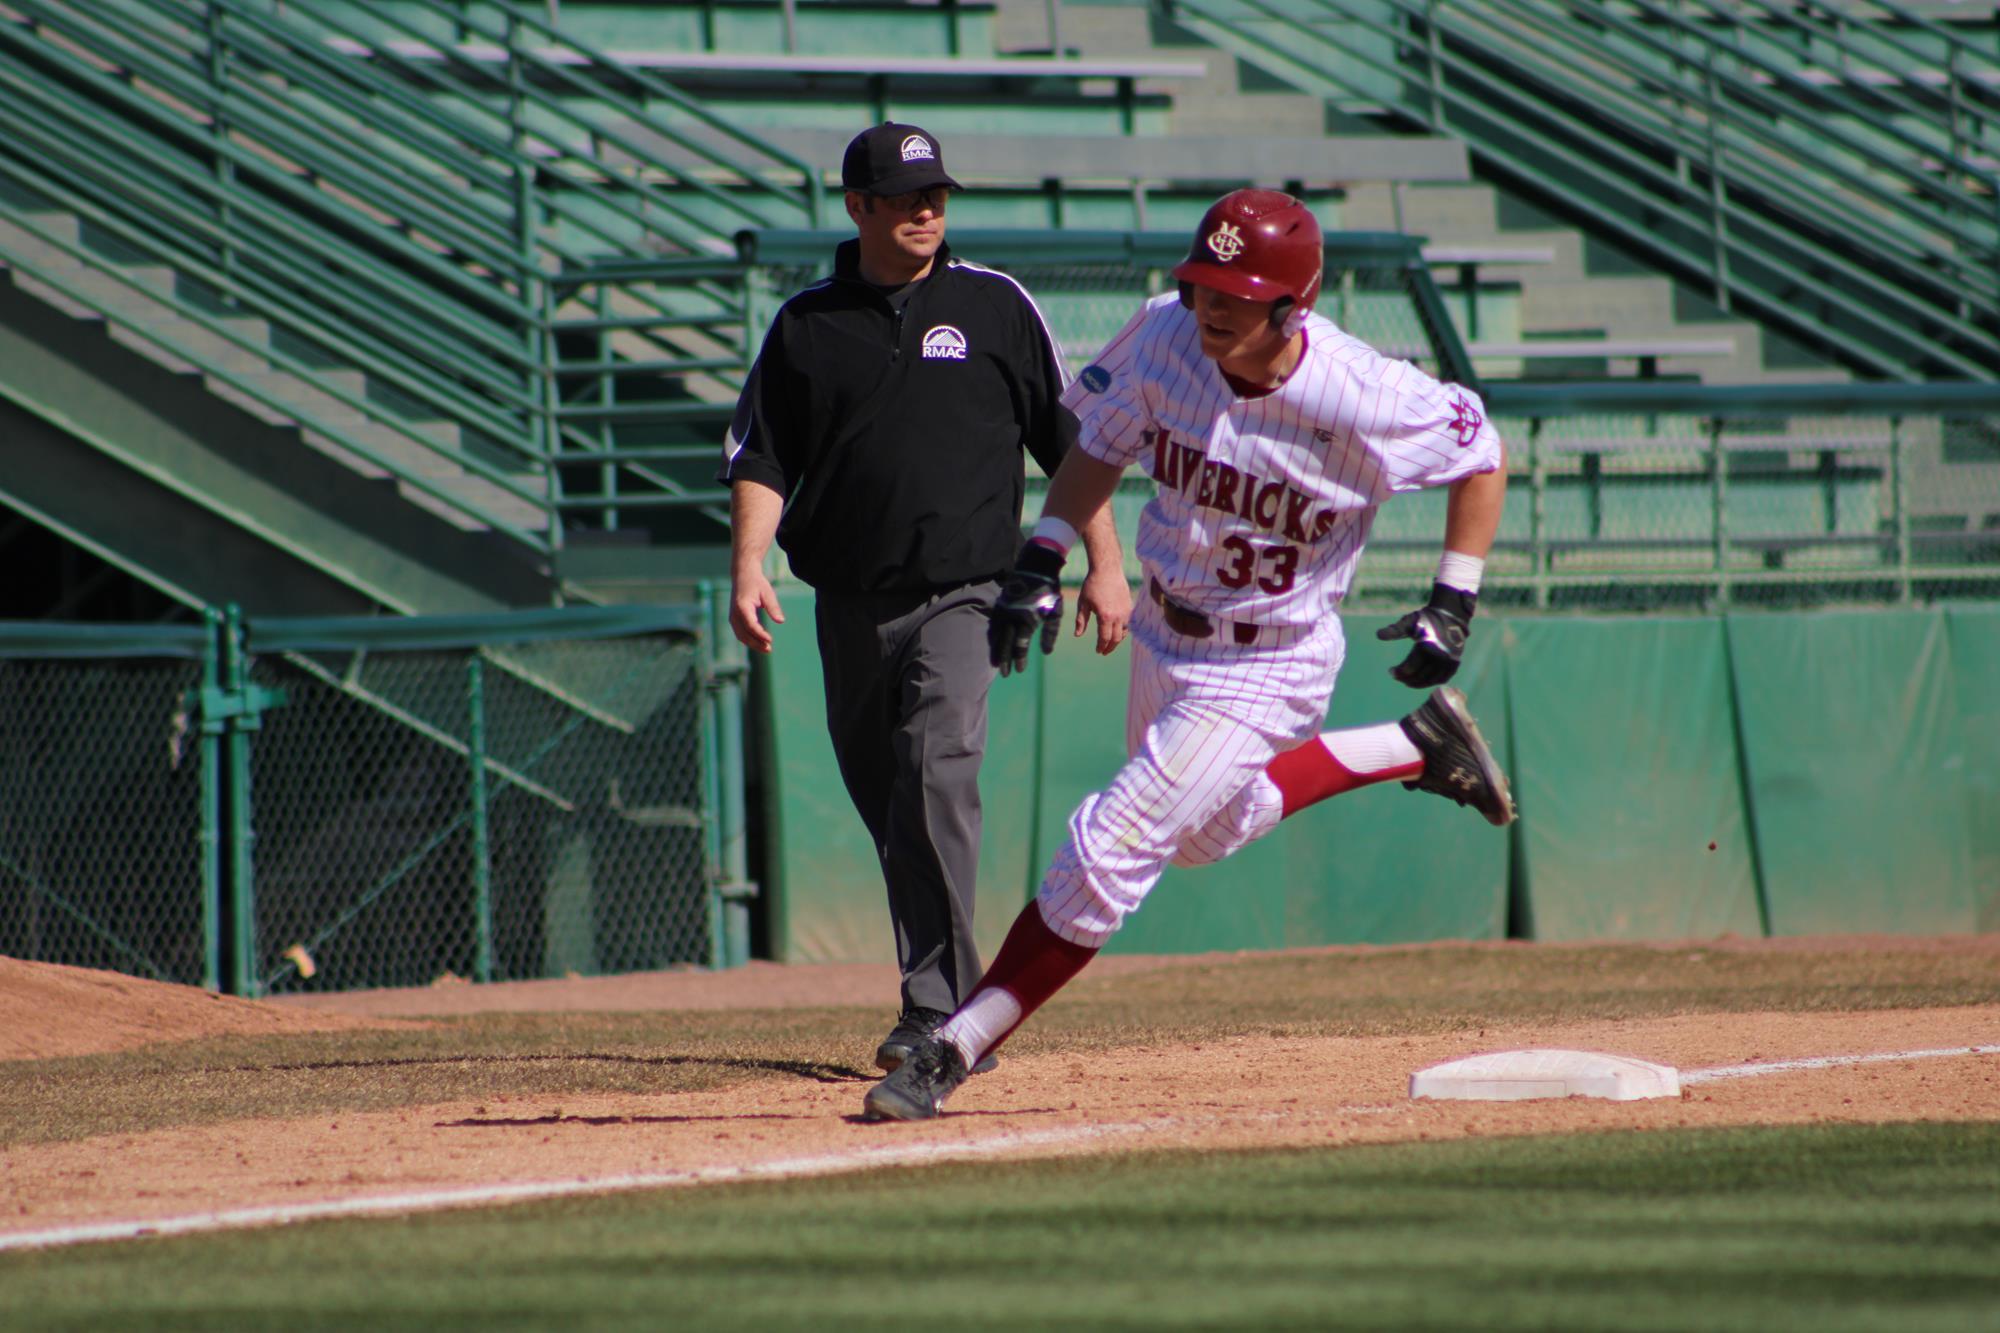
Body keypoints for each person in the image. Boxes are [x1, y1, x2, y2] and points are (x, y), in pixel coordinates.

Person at [862, 188, 1515, 1121]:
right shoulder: (1165, 332)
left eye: (1235, 294)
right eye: (1203, 283)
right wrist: (1043, 556)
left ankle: (954, 1044)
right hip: (1166, 630)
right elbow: (1101, 443)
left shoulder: (1363, 391)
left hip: (1271, 660)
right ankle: (1412, 745)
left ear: (1293, 307)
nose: (1209, 304)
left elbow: (1480, 448)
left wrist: (1453, 597)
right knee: (1202, 838)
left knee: (1111, 846)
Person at [719, 122, 1130, 1075]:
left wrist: (1104, 561)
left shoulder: (993, 305)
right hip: (849, 603)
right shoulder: (807, 324)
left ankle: (940, 1013)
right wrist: (749, 564)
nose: (926, 210)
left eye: (936, 194)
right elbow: (762, 456)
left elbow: (1076, 446)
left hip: (968, 592)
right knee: (892, 803)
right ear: (858, 206)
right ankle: (956, 1003)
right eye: (905, 197)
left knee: (934, 775)